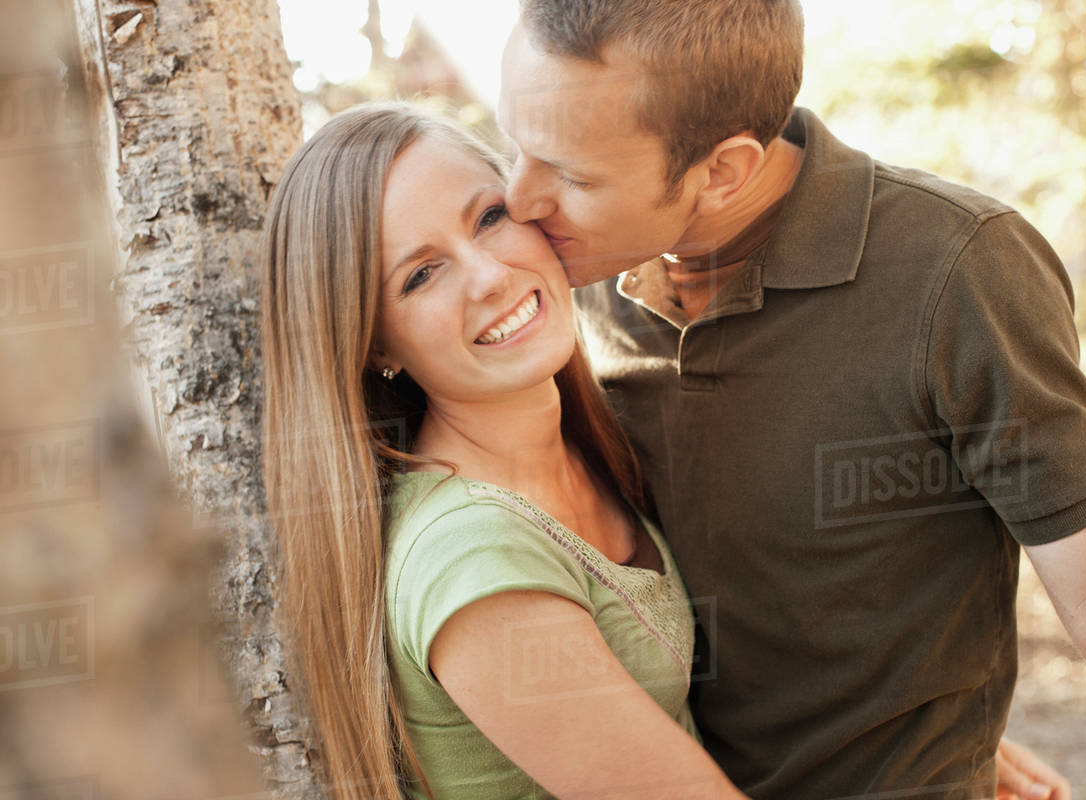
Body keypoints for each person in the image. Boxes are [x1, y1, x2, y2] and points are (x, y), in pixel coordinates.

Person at [497, 1, 1086, 798]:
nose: (517, 200)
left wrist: (939, 733)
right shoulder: (555, 284)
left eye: (572, 174)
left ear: (723, 171)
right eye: (511, 143)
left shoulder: (957, 271)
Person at [259, 104, 754, 799]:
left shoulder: (589, 449)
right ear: (374, 345)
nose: (488, 276)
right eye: (420, 275)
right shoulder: (475, 558)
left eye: (489, 217)